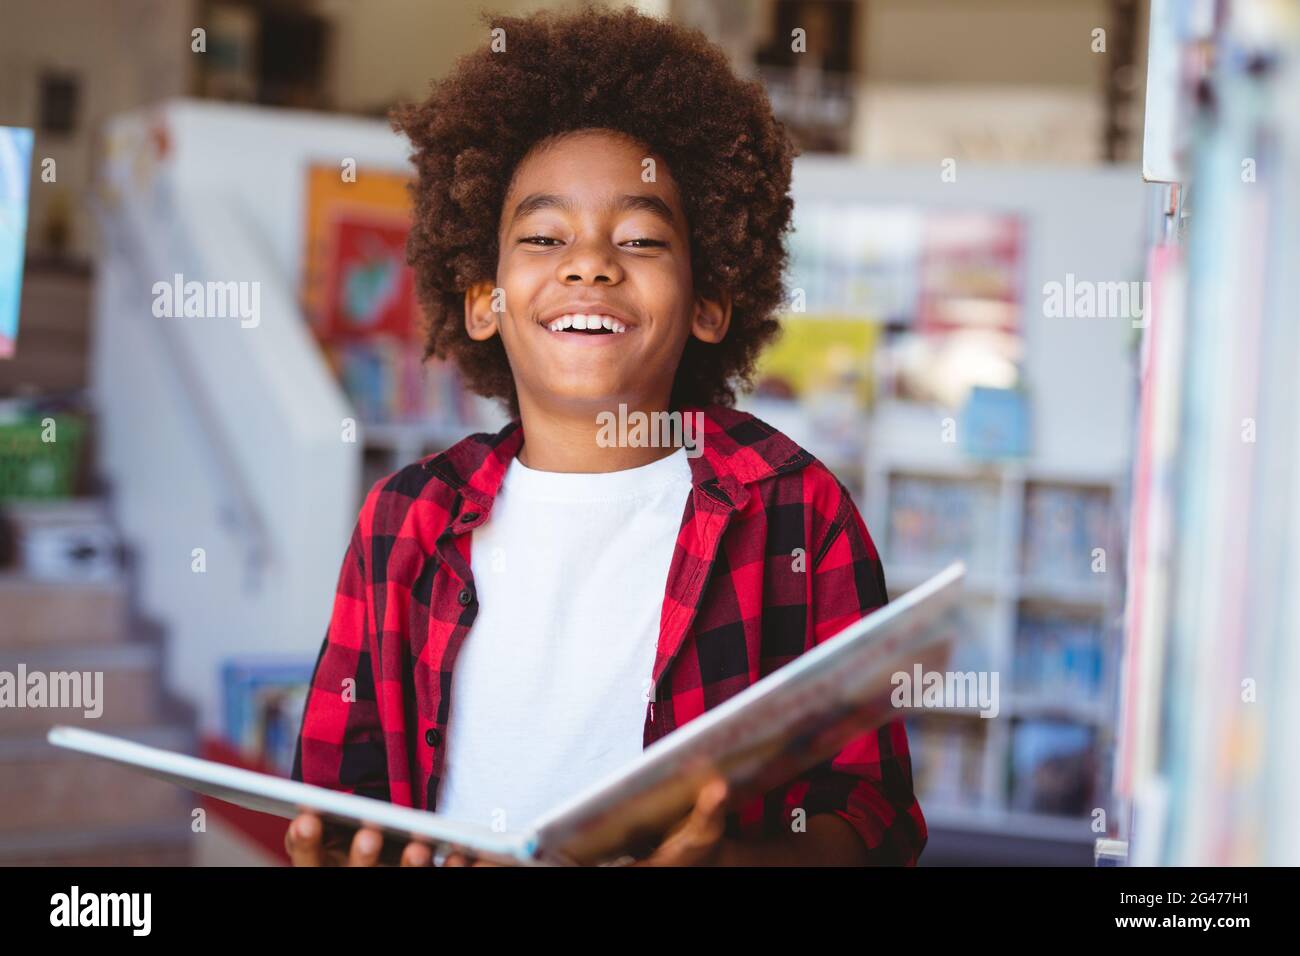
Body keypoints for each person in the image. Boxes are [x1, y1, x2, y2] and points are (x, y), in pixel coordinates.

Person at [286, 5, 925, 867]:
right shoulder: (404, 521)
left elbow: (868, 813)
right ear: (483, 297)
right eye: (545, 236)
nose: (589, 264)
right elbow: (336, 790)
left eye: (641, 237)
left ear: (709, 300)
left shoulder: (793, 510)